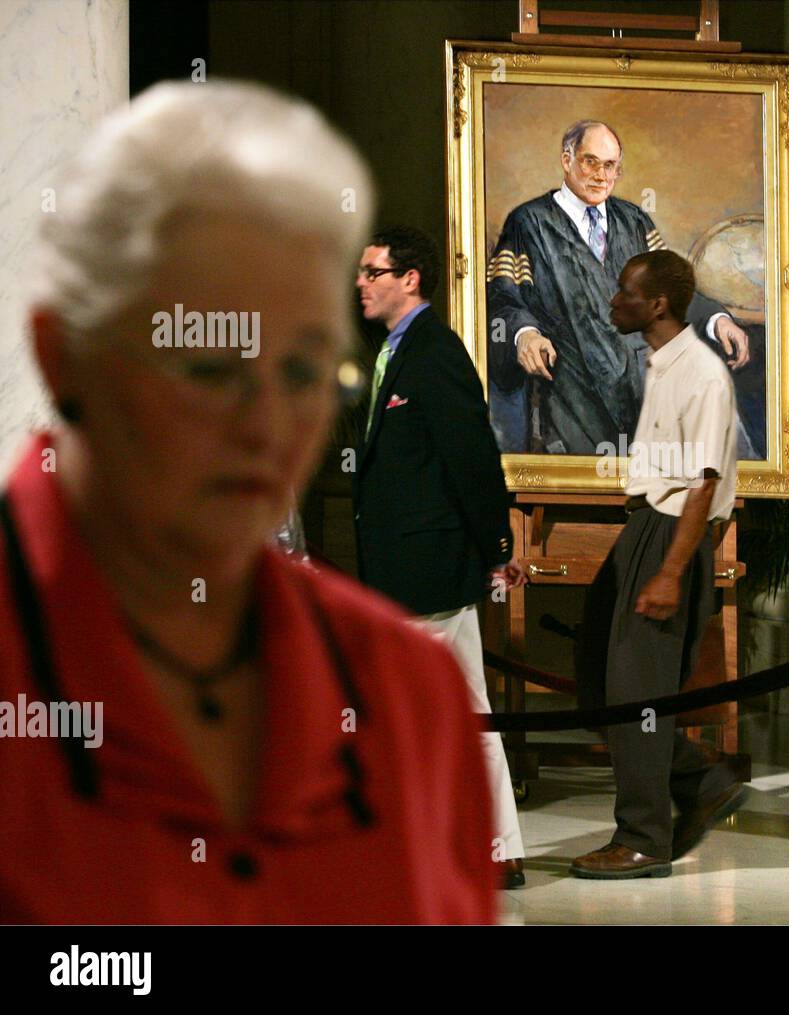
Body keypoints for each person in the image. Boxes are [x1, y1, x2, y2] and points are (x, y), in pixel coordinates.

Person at [1, 81, 496, 923]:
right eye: (212, 364)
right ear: (66, 354)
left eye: (303, 367)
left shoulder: (406, 694)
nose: (267, 426)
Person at [353, 225, 528, 889]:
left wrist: (498, 547)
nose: (361, 283)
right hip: (399, 571)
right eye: (362, 272)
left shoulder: (434, 351)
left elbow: (472, 457)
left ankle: (486, 847)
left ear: (411, 278)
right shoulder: (394, 351)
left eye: (374, 272)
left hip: (431, 570)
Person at [570, 251, 747, 879]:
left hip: (673, 533)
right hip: (646, 527)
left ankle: (644, 838)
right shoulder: (663, 365)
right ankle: (702, 779)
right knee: (600, 683)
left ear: (658, 304)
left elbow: (703, 485)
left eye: (624, 293)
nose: (613, 301)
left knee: (637, 694)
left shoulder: (700, 372)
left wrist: (671, 571)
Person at [486, 119, 752, 455]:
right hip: (572, 384)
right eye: (590, 161)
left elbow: (673, 293)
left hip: (644, 379)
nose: (600, 174)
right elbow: (502, 299)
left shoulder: (635, 221)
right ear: (567, 160)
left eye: (609, 165)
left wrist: (717, 320)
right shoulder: (529, 223)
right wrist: (525, 334)